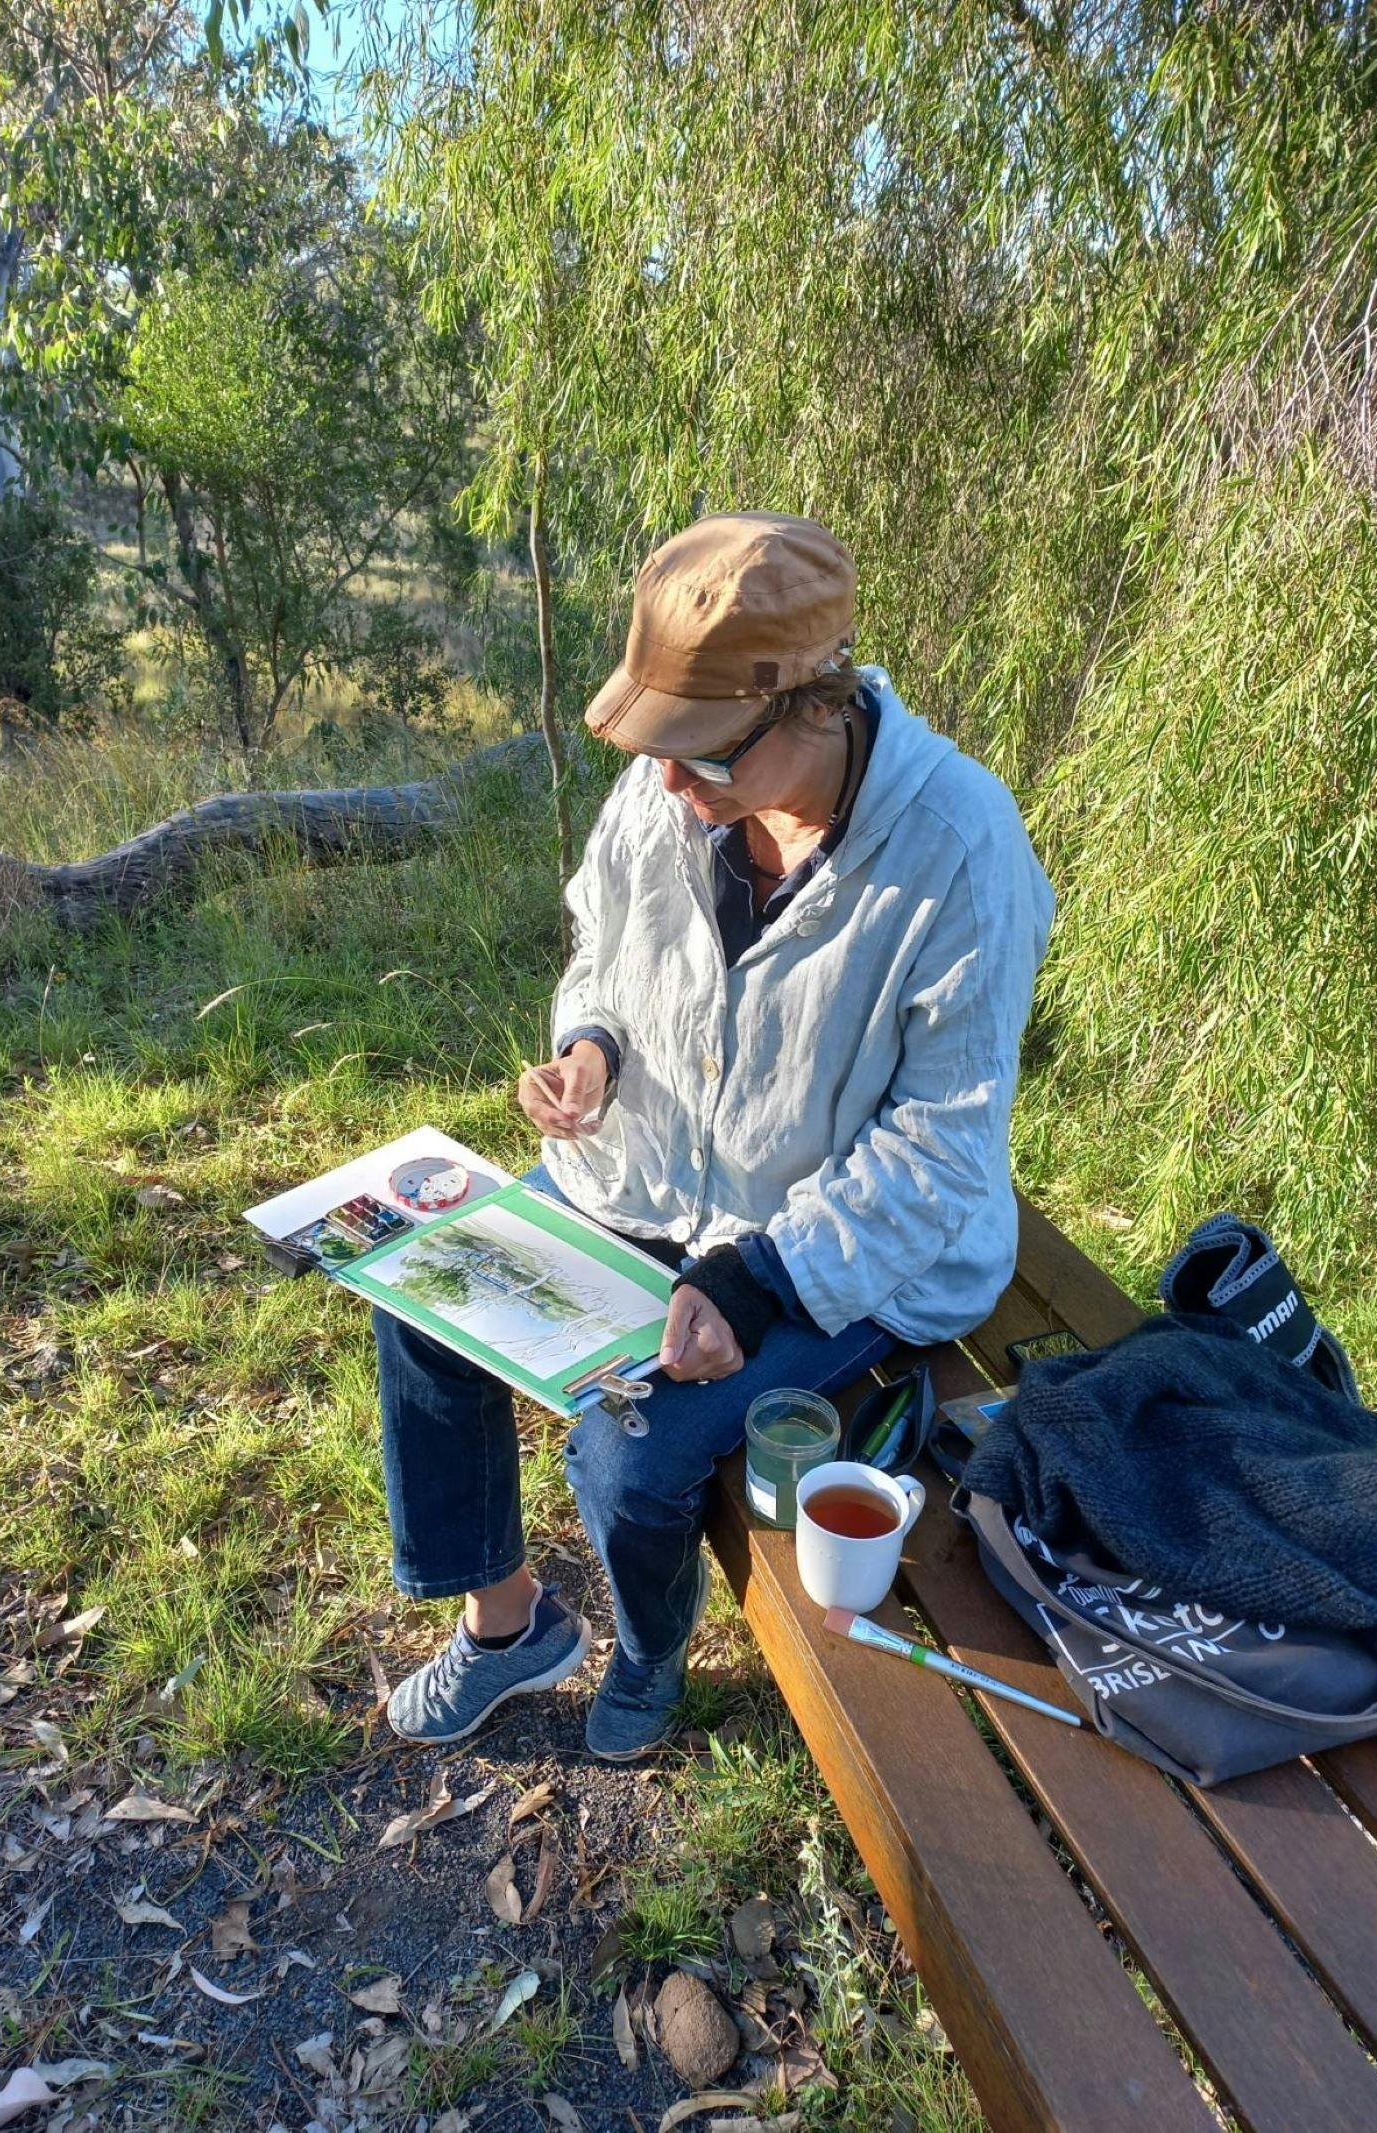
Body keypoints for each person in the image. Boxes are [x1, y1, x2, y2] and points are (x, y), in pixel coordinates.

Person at [375, 511, 1055, 1759]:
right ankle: (507, 1625)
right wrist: (593, 1047)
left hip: (827, 1242)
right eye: (656, 748)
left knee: (626, 1461)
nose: (669, 787)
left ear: (815, 704)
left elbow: (939, 1153)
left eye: (701, 757)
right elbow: (602, 946)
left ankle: (649, 1651)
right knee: (425, 1295)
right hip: (641, 1176)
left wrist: (757, 1279)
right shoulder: (673, 778)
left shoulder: (961, 852)